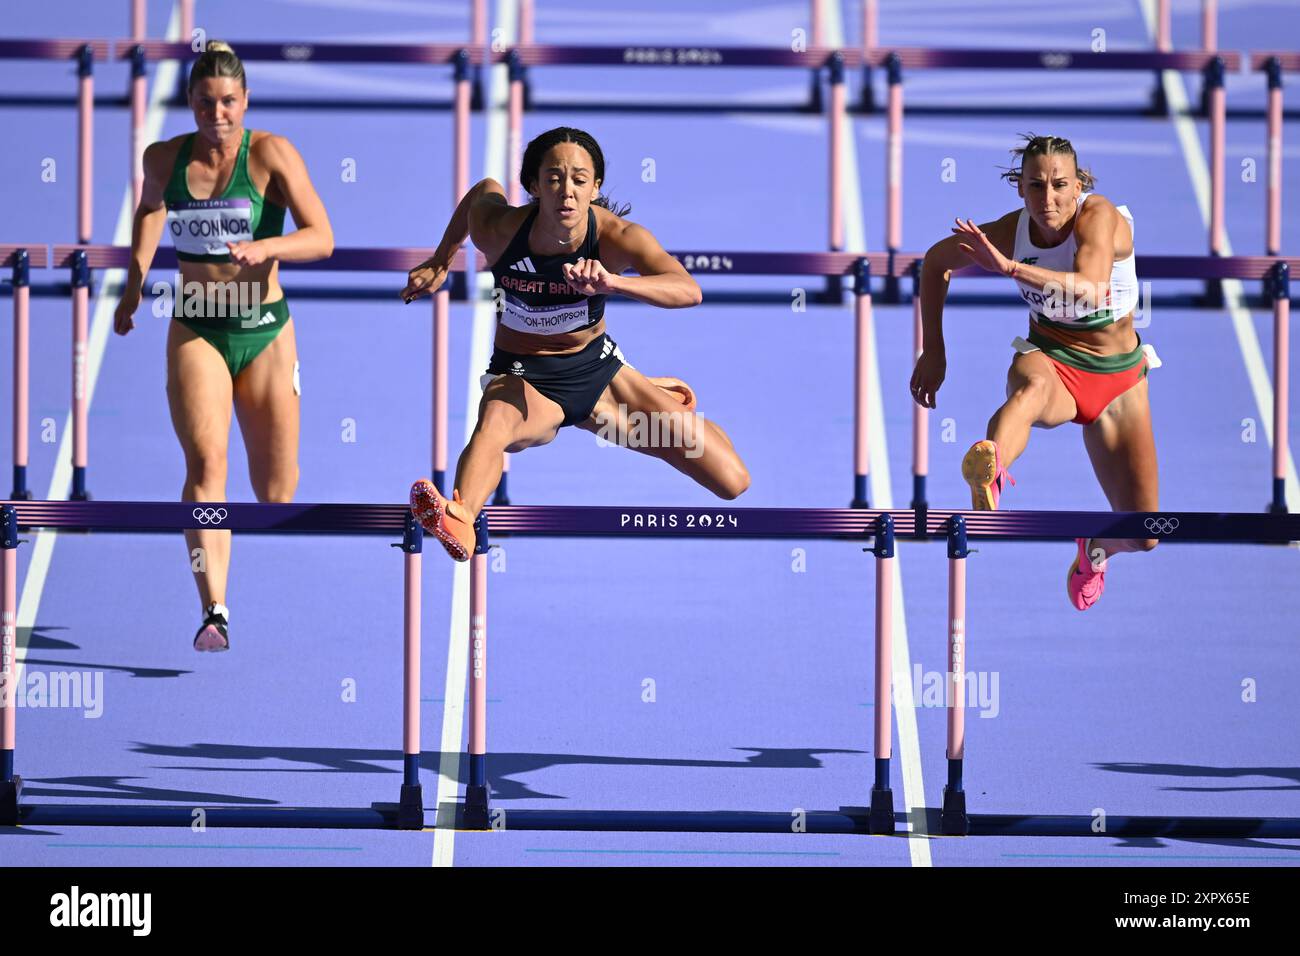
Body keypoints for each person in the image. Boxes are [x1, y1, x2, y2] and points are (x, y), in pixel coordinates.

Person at [402, 127, 750, 559]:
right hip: (523, 376)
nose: (566, 191)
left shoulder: (616, 237)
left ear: (595, 187)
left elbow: (687, 290)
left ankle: (665, 403)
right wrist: (441, 258)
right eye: (553, 178)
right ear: (534, 186)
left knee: (732, 480)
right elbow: (483, 193)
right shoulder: (500, 231)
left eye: (579, 180)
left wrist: (614, 283)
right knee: (495, 422)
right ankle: (460, 517)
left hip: (598, 375)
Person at [114, 41, 334, 649]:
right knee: (207, 463)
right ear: (190, 103)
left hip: (264, 331)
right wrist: (134, 286)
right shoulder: (164, 158)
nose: (218, 115)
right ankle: (215, 609)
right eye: (206, 103)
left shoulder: (271, 155)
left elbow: (322, 236)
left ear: (246, 101)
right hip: (198, 328)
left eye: (229, 103)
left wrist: (268, 248)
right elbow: (150, 209)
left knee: (275, 494)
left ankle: (223, 587)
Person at [909, 134, 1160, 611]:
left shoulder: (1099, 217)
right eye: (1036, 187)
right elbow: (937, 261)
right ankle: (991, 469)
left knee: (1146, 532)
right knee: (1028, 392)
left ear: (1079, 183)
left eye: (1060, 185)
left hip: (1120, 379)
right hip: (1052, 357)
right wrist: (934, 349)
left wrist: (1009, 269)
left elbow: (1090, 287)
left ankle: (1097, 548)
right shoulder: (1012, 230)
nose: (1049, 199)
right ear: (1019, 189)